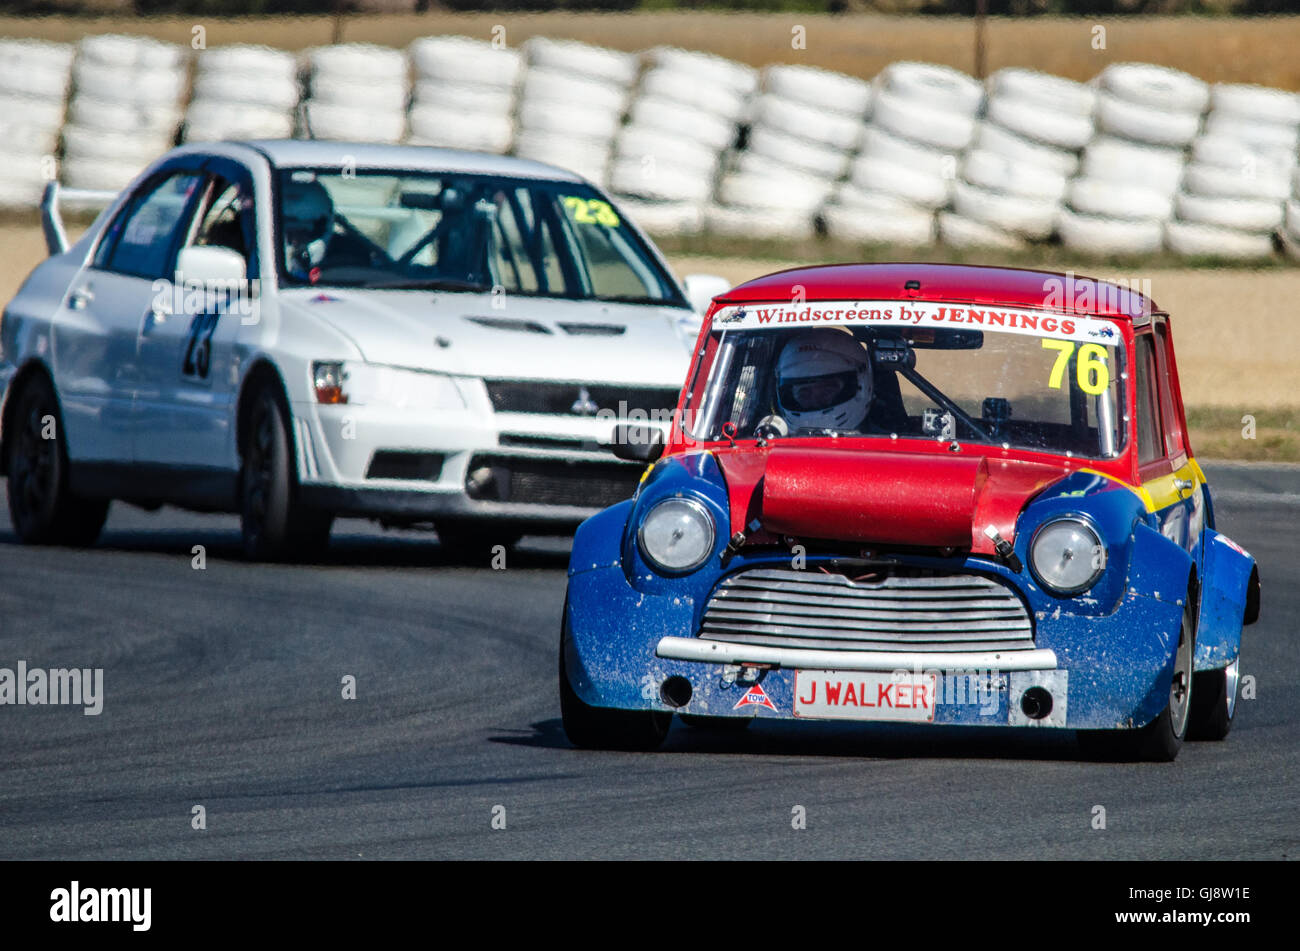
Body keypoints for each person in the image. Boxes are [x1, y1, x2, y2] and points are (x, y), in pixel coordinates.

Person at [775, 328, 874, 433]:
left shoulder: (887, 442)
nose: (815, 402)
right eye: (804, 394)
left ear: (861, 385)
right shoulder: (769, 440)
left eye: (827, 391)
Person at [282, 178, 335, 281]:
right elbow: (249, 294)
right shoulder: (251, 262)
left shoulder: (338, 273)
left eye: (303, 233)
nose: (294, 241)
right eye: (289, 233)